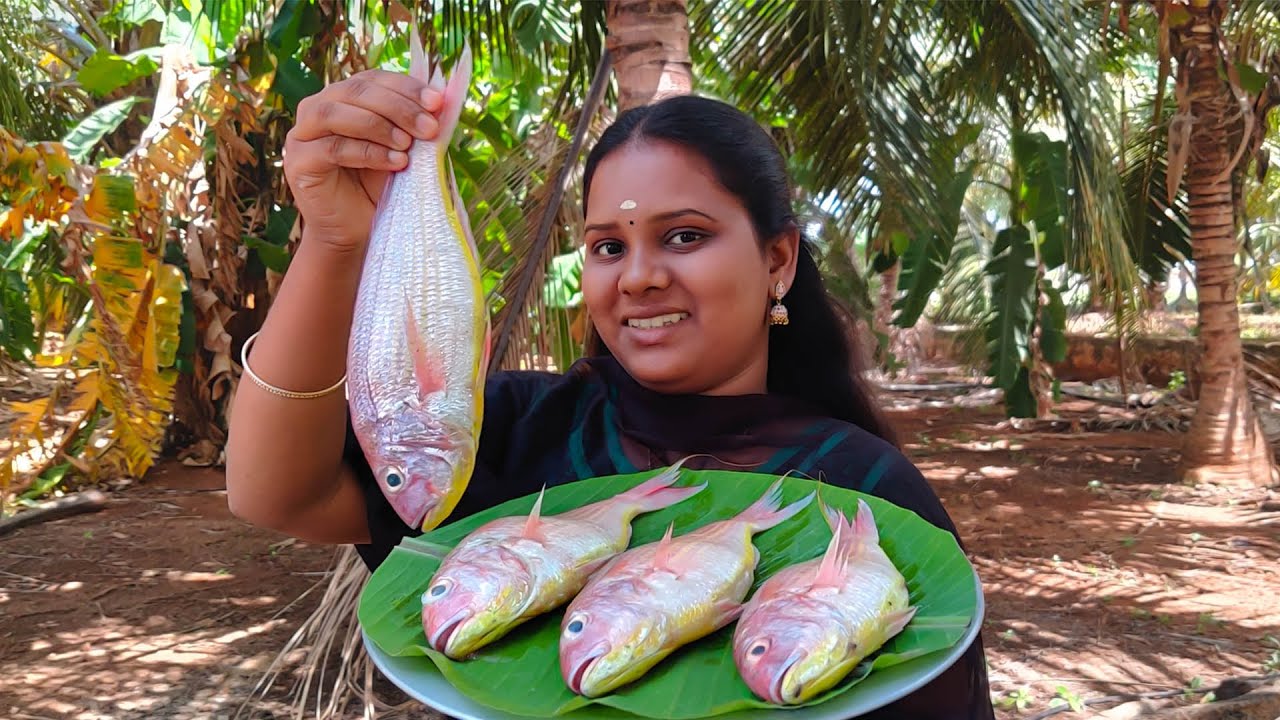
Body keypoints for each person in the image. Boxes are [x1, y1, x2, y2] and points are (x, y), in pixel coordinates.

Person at [225, 65, 996, 720]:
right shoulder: (509, 430)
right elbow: (272, 493)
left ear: (779, 261)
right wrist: (333, 240)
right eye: (607, 246)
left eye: (685, 236)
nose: (638, 276)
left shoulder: (865, 491)